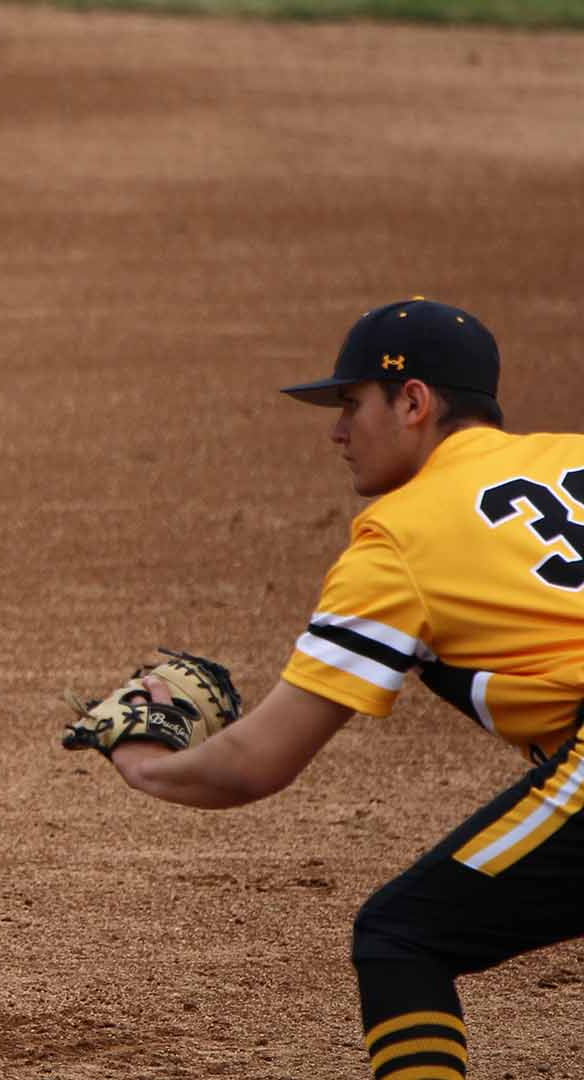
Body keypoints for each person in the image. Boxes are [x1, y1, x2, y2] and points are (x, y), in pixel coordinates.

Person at [87, 297, 584, 1080]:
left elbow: (259, 762)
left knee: (403, 935)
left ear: (413, 402)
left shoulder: (401, 537)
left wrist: (145, 764)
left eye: (352, 404)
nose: (337, 432)